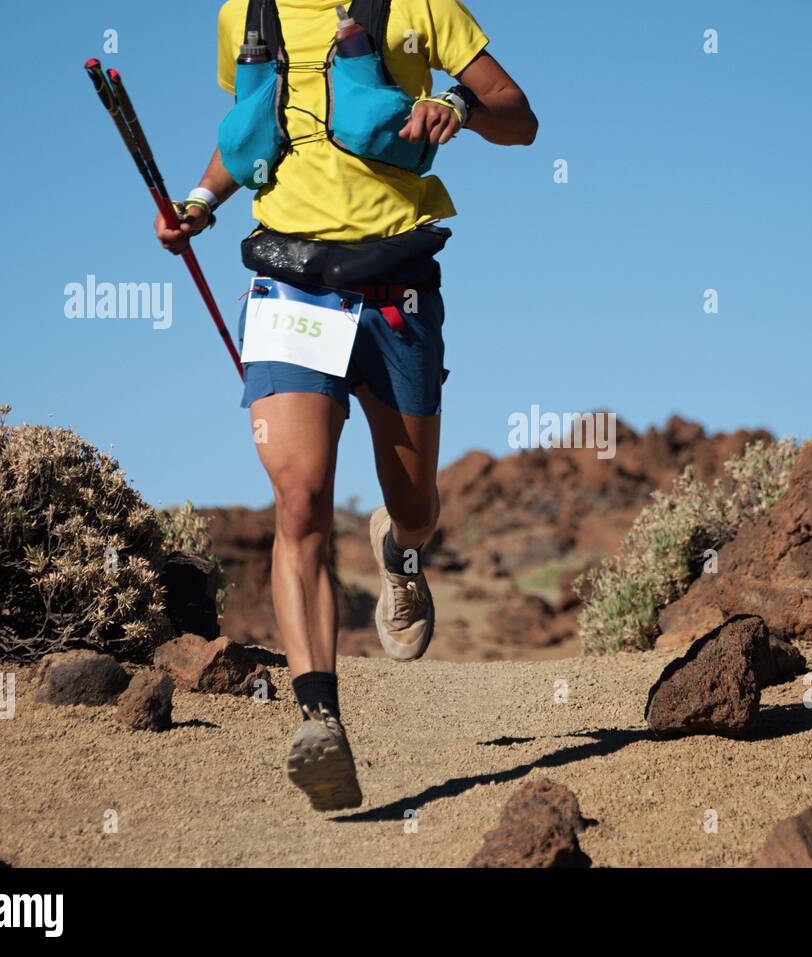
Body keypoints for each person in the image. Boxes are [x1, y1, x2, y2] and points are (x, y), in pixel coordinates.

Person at [154, 0, 537, 811]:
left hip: (396, 287)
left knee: (416, 504)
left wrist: (458, 108)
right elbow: (262, 131)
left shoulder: (420, 7)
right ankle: (319, 720)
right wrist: (200, 199)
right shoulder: (243, 15)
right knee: (298, 503)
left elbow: (520, 117)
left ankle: (402, 550)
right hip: (289, 284)